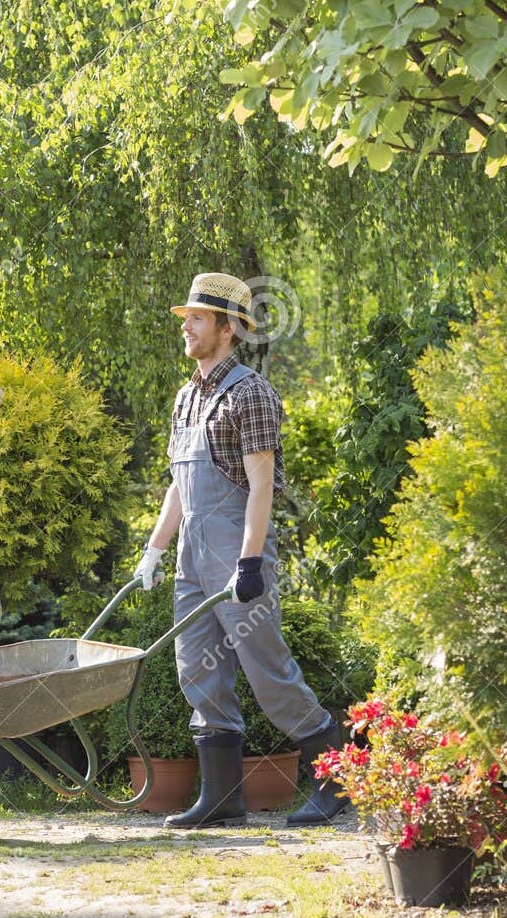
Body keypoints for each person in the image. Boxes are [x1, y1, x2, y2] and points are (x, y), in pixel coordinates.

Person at [134, 272, 347, 829]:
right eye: (187, 318)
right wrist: (154, 551)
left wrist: (250, 560)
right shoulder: (186, 398)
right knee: (195, 672)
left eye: (198, 319)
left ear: (227, 329)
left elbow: (261, 485)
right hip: (191, 557)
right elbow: (180, 486)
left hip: (235, 551)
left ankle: (334, 779)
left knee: (266, 670)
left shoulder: (251, 393)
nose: (187, 327)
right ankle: (222, 799)